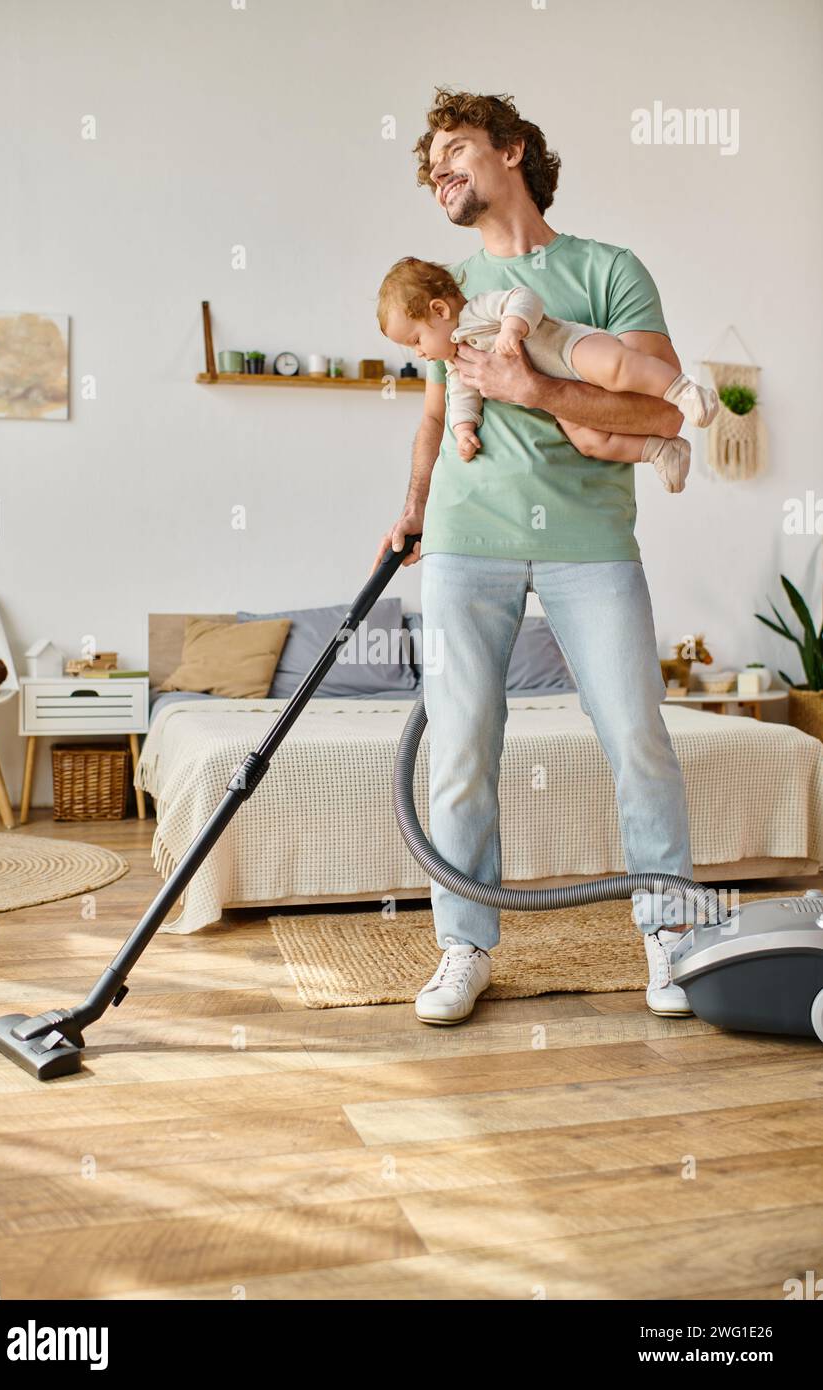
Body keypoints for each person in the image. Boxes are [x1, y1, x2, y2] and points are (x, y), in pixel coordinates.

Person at [372, 88, 701, 1026]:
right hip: (466, 545)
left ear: (512, 152)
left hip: (590, 546)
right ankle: (465, 945)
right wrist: (410, 511)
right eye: (430, 160)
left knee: (637, 736)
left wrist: (536, 384)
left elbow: (662, 412)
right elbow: (437, 417)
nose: (440, 167)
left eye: (456, 147)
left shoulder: (608, 270)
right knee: (461, 748)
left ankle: (669, 936)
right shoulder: (445, 291)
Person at [378, 256, 719, 491]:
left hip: (568, 349)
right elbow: (463, 397)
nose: (419, 353)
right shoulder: (455, 362)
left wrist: (512, 328)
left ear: (439, 310)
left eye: (416, 340)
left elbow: (523, 298)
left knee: (617, 368)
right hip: (559, 394)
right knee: (589, 442)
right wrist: (464, 429)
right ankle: (661, 451)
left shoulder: (477, 310)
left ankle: (683, 390)